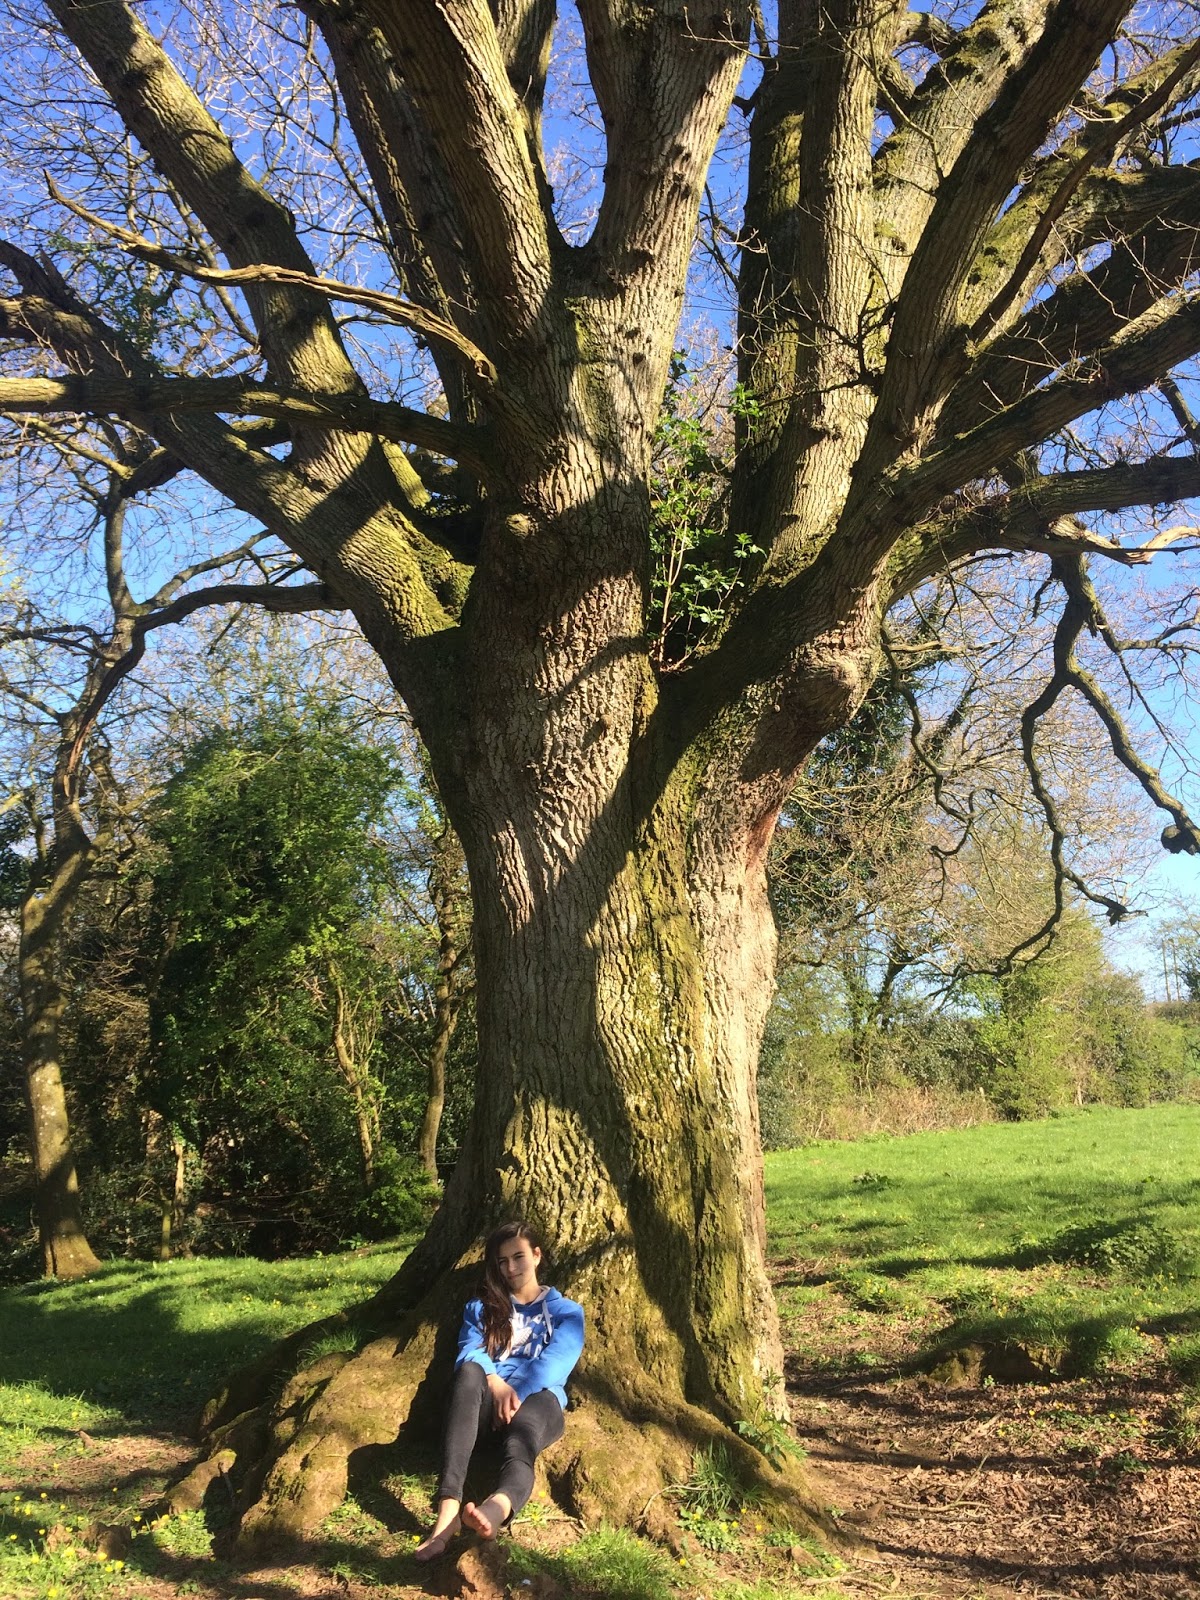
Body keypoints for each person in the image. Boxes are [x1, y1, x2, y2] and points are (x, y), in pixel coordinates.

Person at [415, 1219, 585, 1561]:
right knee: (469, 1373)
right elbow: (470, 1350)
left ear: (536, 1256)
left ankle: (495, 1509)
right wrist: (495, 1384)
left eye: (518, 1257)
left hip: (539, 1402)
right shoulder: (482, 1307)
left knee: (521, 1438)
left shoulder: (567, 1313)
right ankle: (447, 1513)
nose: (510, 1268)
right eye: (501, 1261)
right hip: (485, 1407)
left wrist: (517, 1392)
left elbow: (555, 1364)